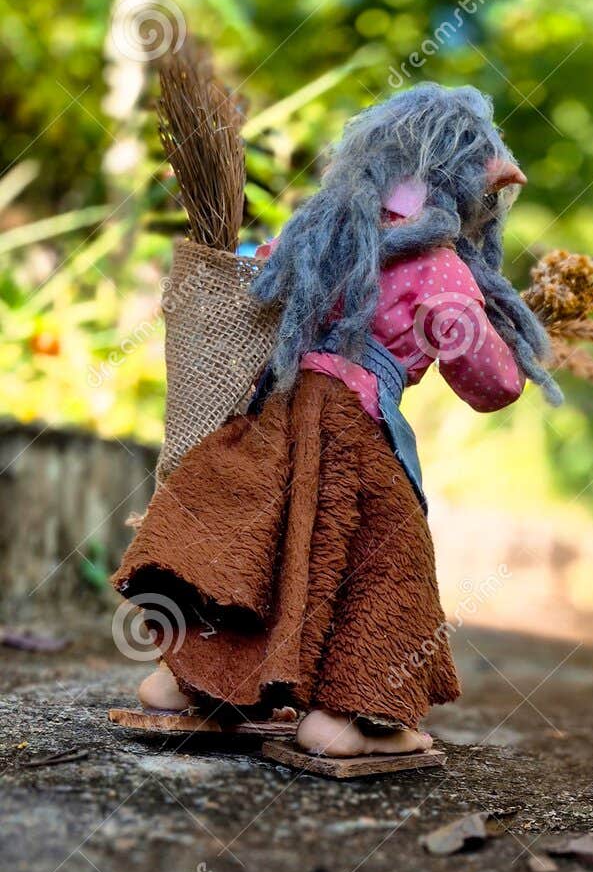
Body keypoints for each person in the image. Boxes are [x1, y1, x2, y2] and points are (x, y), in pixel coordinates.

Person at [114, 83, 560, 759]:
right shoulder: (440, 273)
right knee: (387, 560)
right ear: (478, 185)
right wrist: (516, 339)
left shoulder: (320, 233)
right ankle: (356, 715)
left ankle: (190, 680)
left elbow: (258, 281)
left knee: (261, 542)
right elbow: (491, 385)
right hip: (355, 425)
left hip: (277, 415)